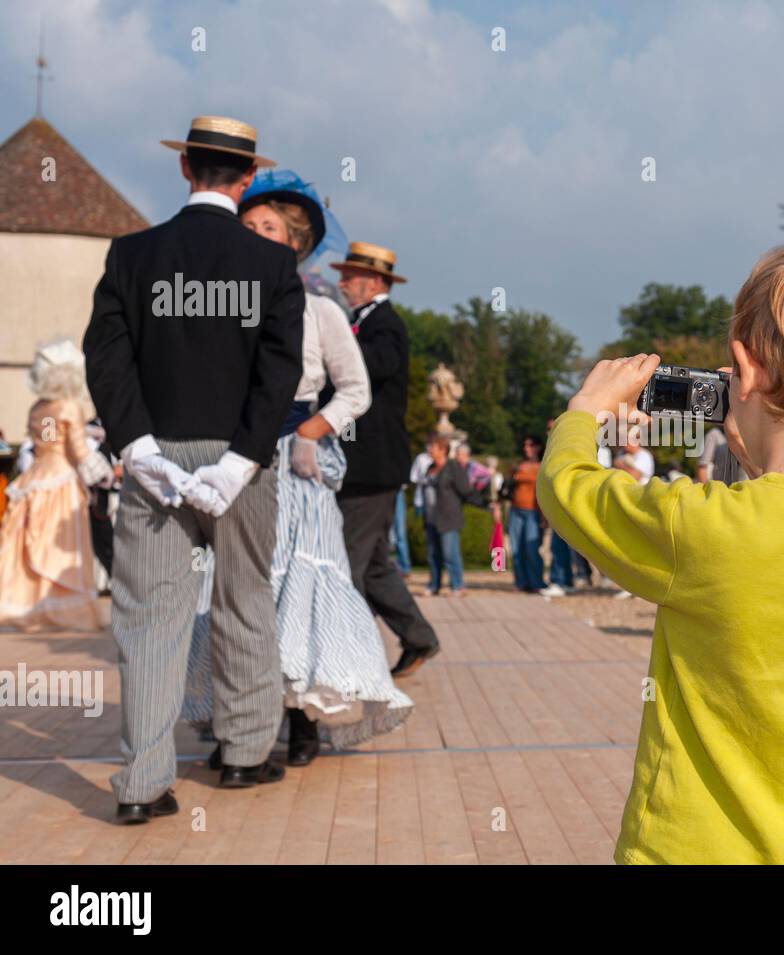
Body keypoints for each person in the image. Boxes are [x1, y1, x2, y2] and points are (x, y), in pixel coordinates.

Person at [538, 241, 784, 864]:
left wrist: (583, 415)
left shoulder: (700, 528)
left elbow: (568, 491)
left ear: (745, 368)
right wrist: (759, 453)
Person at [83, 116, 305, 823]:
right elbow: (280, 374)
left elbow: (106, 361)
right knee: (244, 602)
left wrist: (139, 451)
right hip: (241, 460)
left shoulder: (130, 255)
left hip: (155, 459)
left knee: (149, 619)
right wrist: (241, 461)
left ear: (185, 170)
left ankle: (143, 784)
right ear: (245, 182)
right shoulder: (273, 266)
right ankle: (245, 753)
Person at [185, 175, 411, 768]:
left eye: (267, 228)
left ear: (293, 242)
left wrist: (312, 432)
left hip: (295, 459)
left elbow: (356, 389)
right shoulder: (221, 305)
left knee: (295, 589)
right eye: (247, 227)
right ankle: (242, 723)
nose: (254, 236)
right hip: (235, 458)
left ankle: (300, 721)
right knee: (236, 587)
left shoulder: (320, 311)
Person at [330, 241, 441, 678]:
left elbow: (373, 367)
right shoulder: (362, 322)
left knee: (346, 564)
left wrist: (332, 346)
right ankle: (419, 638)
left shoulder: (385, 325)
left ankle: (350, 658)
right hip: (362, 466)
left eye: (348, 276)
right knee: (374, 565)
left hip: (369, 468)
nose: (341, 283)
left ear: (374, 282)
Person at [0, 341, 112, 632]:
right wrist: (103, 473)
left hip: (34, 480)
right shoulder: (69, 407)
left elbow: (46, 442)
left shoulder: (39, 408)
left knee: (36, 545)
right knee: (58, 547)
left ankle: (34, 608)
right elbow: (77, 449)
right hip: (61, 483)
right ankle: (57, 611)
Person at [418, 435, 487, 596]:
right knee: (433, 554)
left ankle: (457, 585)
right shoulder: (430, 468)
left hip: (448, 517)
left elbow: (465, 490)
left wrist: (483, 503)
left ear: (443, 449)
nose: (430, 450)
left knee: (450, 553)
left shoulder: (453, 467)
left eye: (433, 447)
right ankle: (434, 585)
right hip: (430, 518)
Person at [506, 435, 546, 593]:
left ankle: (536, 582)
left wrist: (545, 516)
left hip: (533, 511)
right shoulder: (518, 464)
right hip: (516, 510)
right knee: (516, 548)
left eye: (530, 445)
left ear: (537, 447)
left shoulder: (542, 466)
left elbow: (543, 491)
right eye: (525, 445)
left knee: (531, 548)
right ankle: (521, 582)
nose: (526, 448)